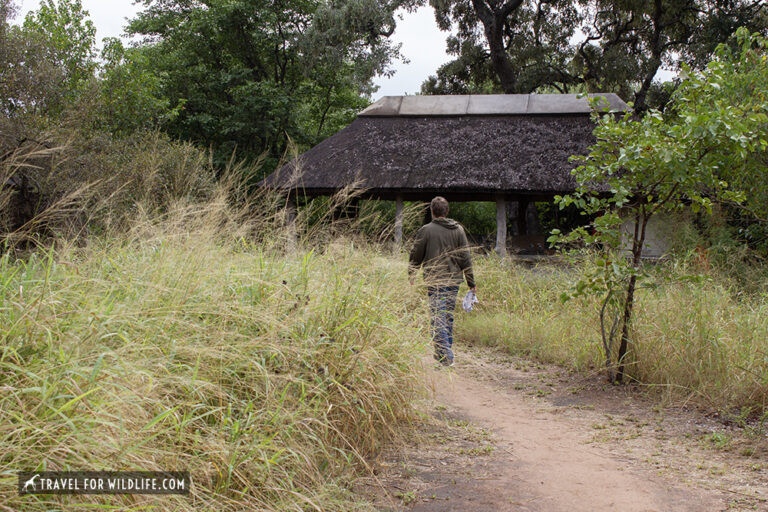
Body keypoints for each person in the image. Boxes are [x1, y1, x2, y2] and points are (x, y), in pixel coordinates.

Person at [408, 196, 476, 367]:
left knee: (437, 318)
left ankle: (446, 356)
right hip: (453, 282)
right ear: (447, 211)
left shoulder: (426, 230)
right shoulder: (458, 230)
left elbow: (416, 254)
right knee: (446, 318)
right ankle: (442, 356)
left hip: (435, 281)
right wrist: (471, 282)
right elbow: (466, 258)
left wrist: (412, 274)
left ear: (432, 211)